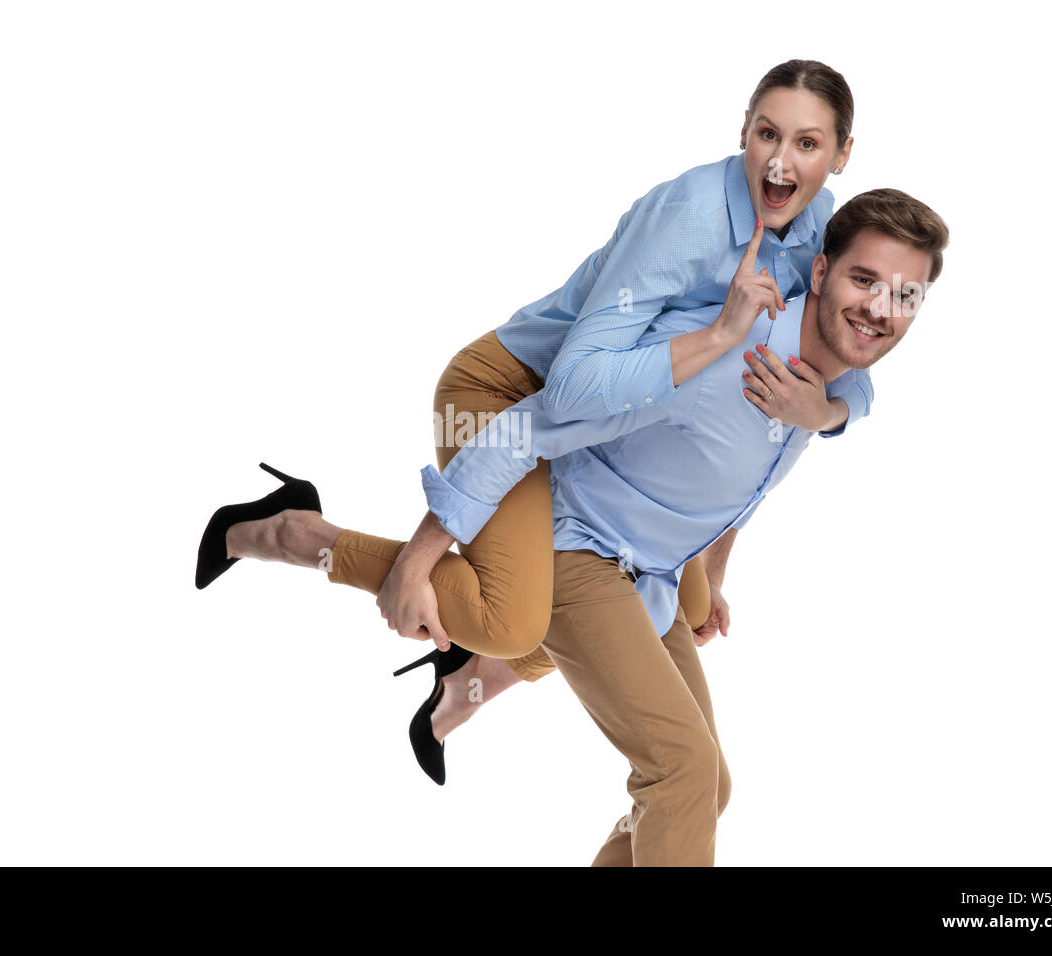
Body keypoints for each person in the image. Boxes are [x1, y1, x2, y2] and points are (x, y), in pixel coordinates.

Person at [214, 188, 949, 864]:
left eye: (905, 296)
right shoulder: (724, 359)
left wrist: (822, 421)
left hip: (650, 572)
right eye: (864, 281)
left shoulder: (832, 383)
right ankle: (295, 536)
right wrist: (416, 559)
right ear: (818, 273)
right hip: (577, 551)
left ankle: (446, 657)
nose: (881, 310)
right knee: (680, 769)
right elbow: (523, 428)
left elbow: (825, 416)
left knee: (705, 787)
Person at [198, 59, 867, 784]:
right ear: (742, 129)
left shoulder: (817, 223)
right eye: (767, 134)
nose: (779, 161)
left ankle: (468, 681)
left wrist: (826, 409)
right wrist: (716, 337)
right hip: (506, 393)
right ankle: (294, 533)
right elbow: (571, 392)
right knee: (518, 615)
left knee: (678, 599)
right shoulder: (692, 219)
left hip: (605, 430)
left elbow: (841, 355)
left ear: (841, 154)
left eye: (807, 144)